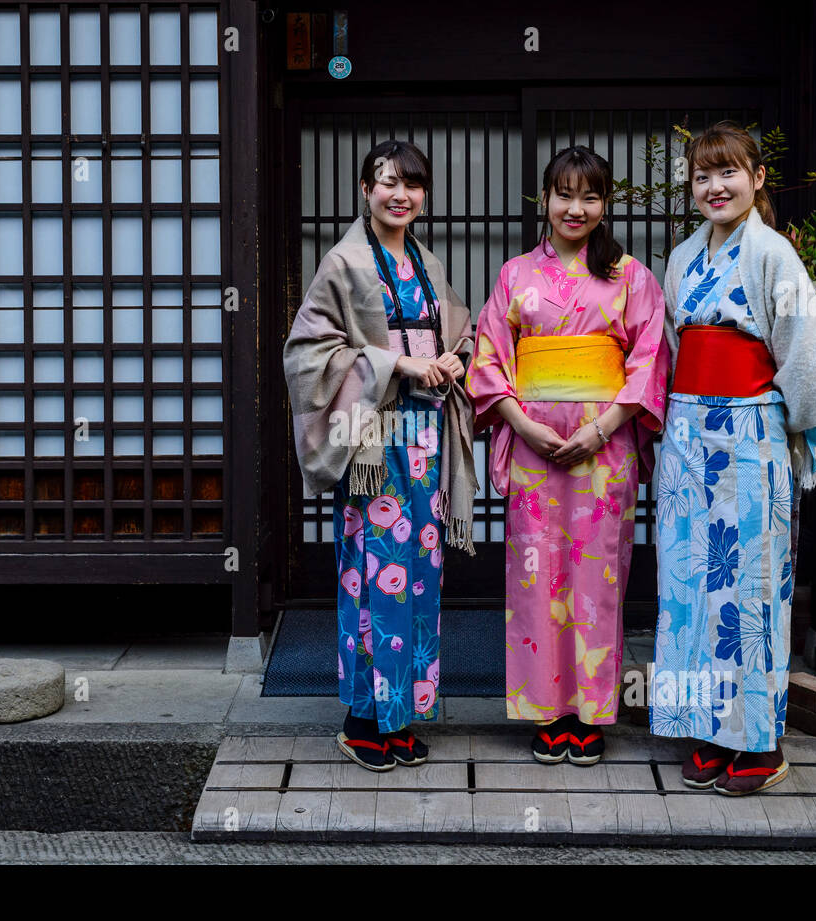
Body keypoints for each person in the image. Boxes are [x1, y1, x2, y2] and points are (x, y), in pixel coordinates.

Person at [651, 120, 816, 795]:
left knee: (749, 591)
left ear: (757, 178)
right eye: (702, 175)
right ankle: (711, 728)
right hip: (688, 440)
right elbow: (676, 354)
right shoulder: (682, 259)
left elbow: (807, 357)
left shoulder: (773, 255)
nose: (715, 186)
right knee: (691, 589)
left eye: (728, 172)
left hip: (748, 438)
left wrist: (790, 434)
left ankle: (760, 744)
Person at [467, 145, 669, 764]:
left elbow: (648, 361)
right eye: (564, 194)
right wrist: (521, 425)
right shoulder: (514, 275)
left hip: (602, 455)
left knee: (597, 580)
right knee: (535, 578)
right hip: (534, 448)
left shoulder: (631, 276)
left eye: (590, 196)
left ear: (605, 204)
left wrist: (604, 427)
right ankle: (545, 710)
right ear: (545, 200)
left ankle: (590, 713)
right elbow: (489, 358)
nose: (575, 208)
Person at [283, 140, 478, 772]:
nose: (401, 195)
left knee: (417, 575)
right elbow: (307, 352)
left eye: (412, 185)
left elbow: (461, 325)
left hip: (424, 440)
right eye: (387, 182)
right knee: (372, 576)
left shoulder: (425, 260)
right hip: (374, 438)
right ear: (364, 189)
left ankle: (400, 716)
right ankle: (363, 718)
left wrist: (454, 356)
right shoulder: (343, 262)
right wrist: (396, 362)